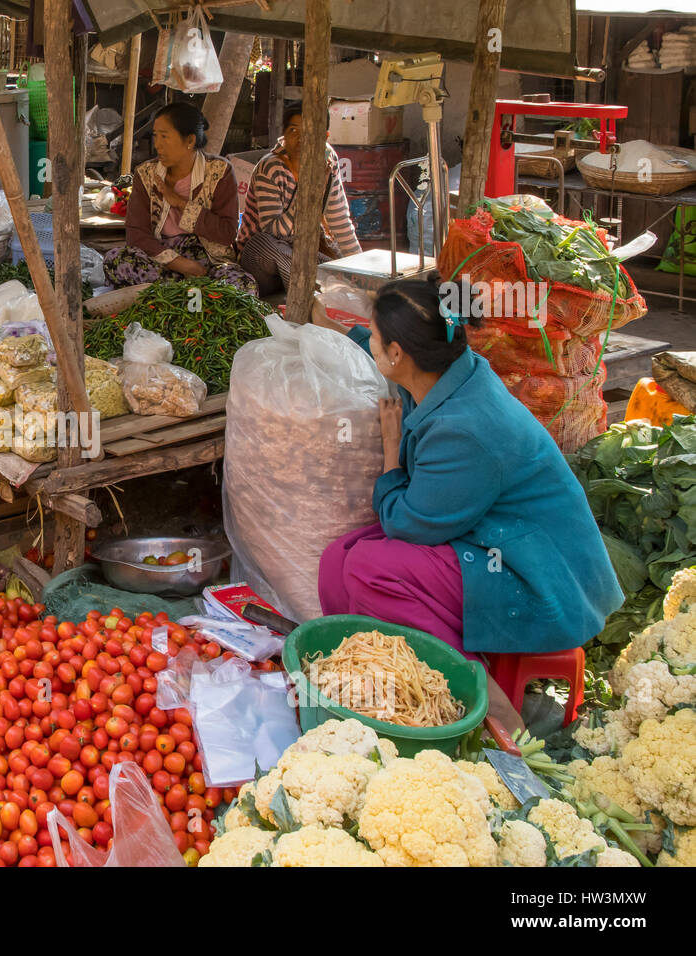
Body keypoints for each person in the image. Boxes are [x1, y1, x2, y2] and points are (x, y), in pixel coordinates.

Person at [314, 275, 623, 657]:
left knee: (368, 566)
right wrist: (330, 328)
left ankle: (471, 687)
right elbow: (379, 352)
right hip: (486, 540)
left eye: (373, 334)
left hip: (540, 582)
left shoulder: (463, 430)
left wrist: (391, 448)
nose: (368, 339)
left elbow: (407, 525)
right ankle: (363, 663)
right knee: (337, 560)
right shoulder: (445, 368)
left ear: (397, 352)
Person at [102, 103, 256, 294]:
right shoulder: (146, 174)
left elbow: (226, 233)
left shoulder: (219, 172)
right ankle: (188, 296)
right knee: (116, 260)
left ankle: (173, 295)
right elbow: (136, 234)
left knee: (243, 286)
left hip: (208, 263)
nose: (157, 144)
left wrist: (180, 203)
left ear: (189, 140)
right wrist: (182, 265)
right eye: (155, 135)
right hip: (162, 260)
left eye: (165, 136)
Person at [236, 106, 362, 295]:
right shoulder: (271, 168)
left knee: (340, 264)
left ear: (325, 136)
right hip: (262, 264)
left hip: (305, 254)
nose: (301, 138)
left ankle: (325, 284)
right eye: (293, 130)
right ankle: (314, 293)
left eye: (310, 131)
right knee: (264, 243)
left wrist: (361, 269)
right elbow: (274, 232)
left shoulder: (328, 161)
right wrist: (308, 192)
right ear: (284, 136)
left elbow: (339, 220)